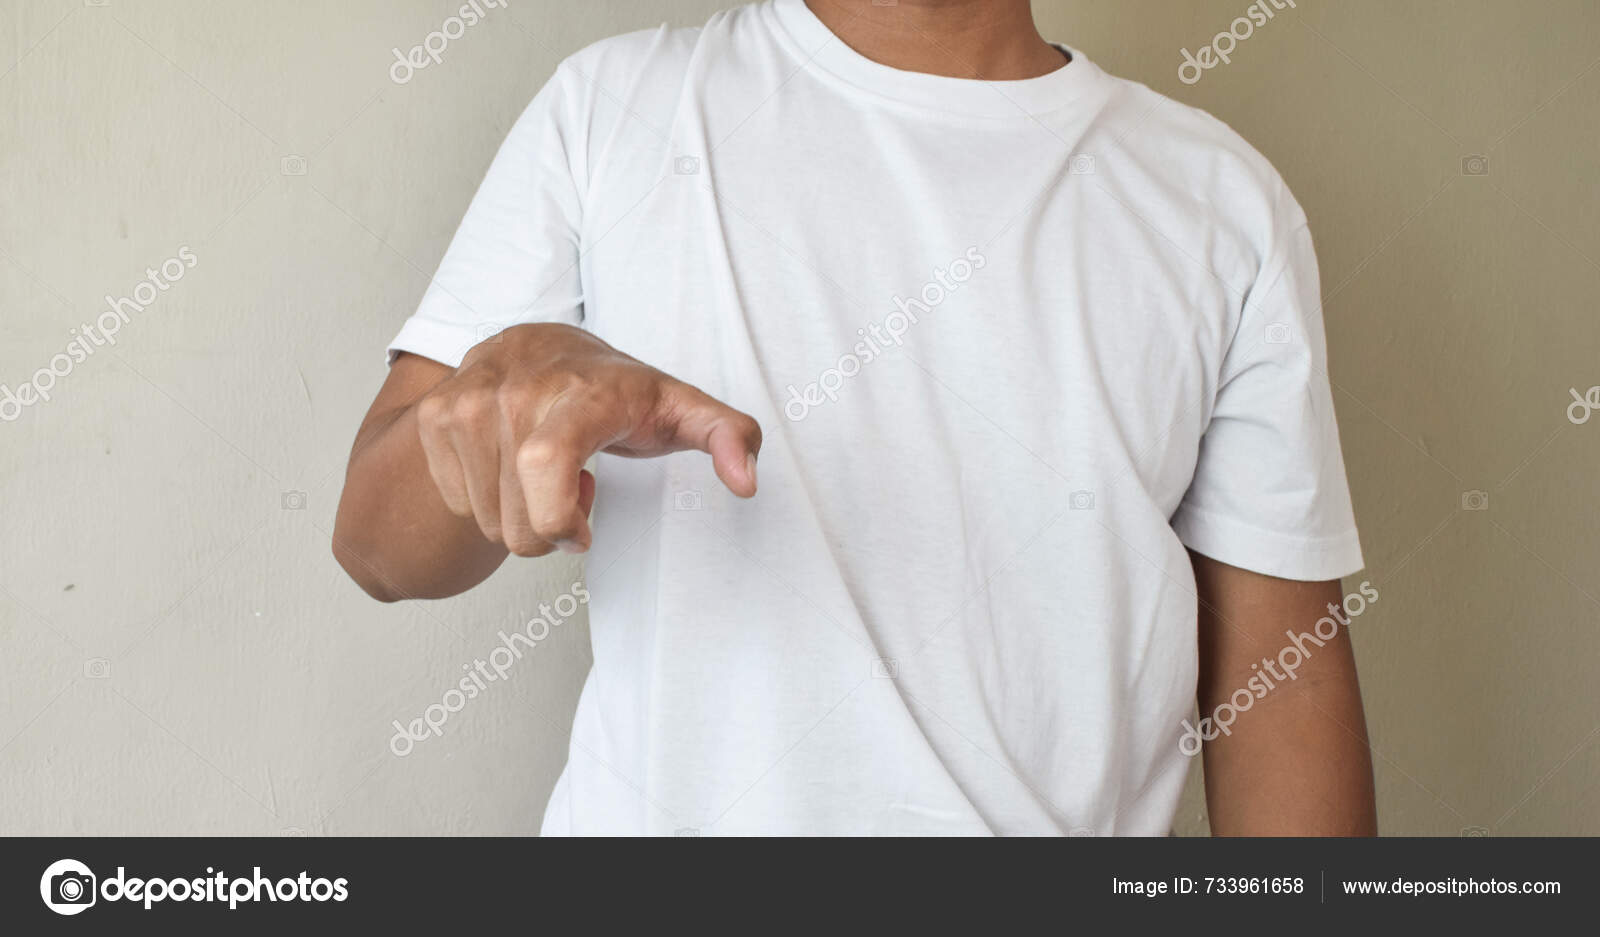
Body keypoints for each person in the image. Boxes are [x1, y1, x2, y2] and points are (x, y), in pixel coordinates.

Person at [333, 0, 1376, 835]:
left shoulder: (1221, 203)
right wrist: (505, 393)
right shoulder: (610, 106)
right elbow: (376, 547)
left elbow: (1277, 682)